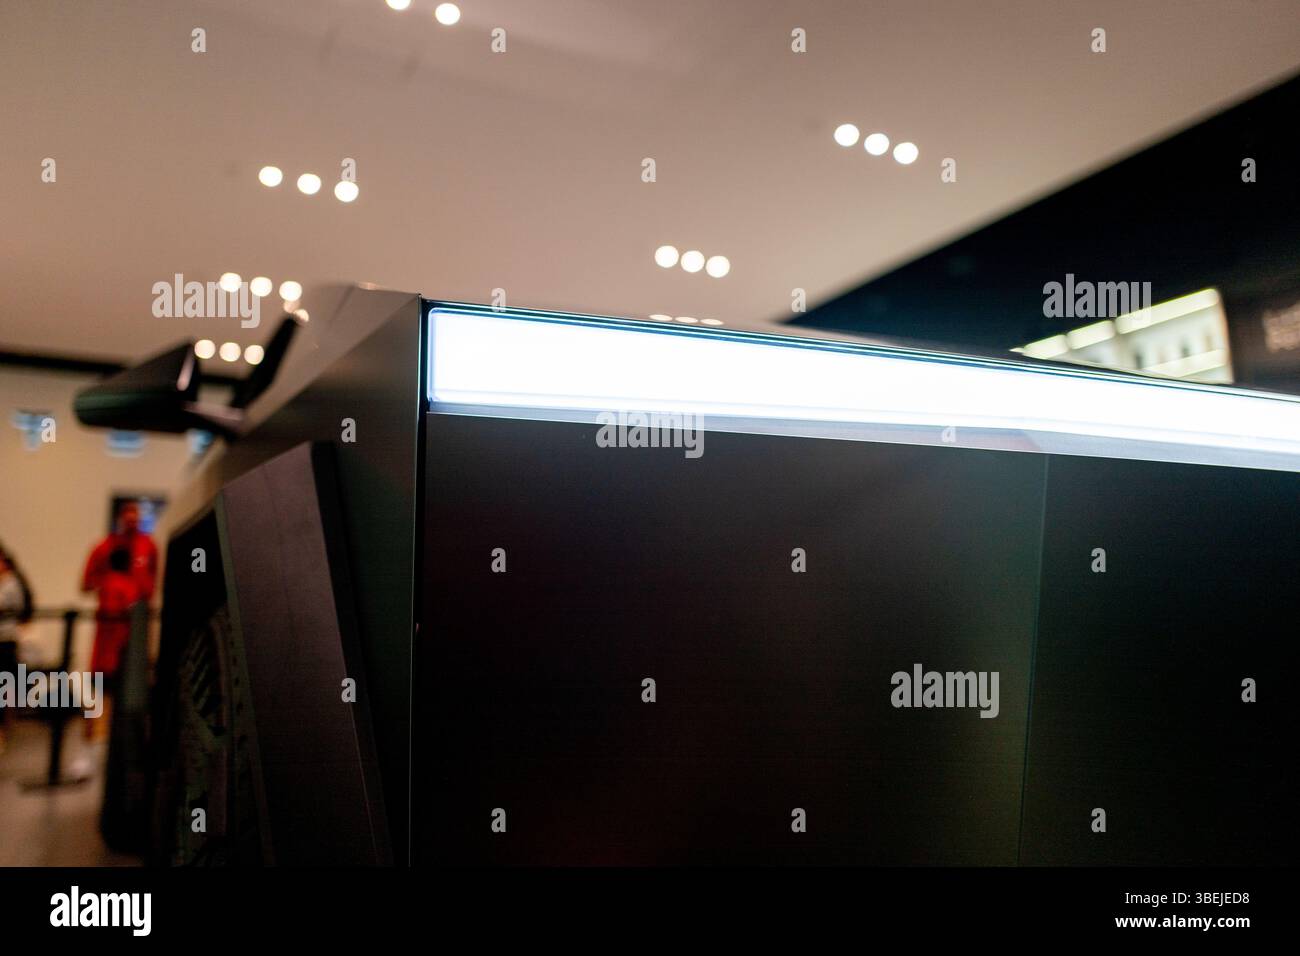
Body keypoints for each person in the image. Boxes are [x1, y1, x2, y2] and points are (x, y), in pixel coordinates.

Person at [81, 501, 157, 740]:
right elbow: (86, 583)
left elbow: (151, 584)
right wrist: (110, 586)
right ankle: (94, 737)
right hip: (108, 633)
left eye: (136, 514)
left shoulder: (149, 547)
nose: (132, 519)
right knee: (101, 684)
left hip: (135, 630)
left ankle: (128, 738)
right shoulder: (104, 548)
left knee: (133, 685)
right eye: (128, 514)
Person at [0, 543, 35, 754]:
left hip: (5, 641)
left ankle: (3, 730)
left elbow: (20, 609)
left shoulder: (12, 582)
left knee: (5, 687)